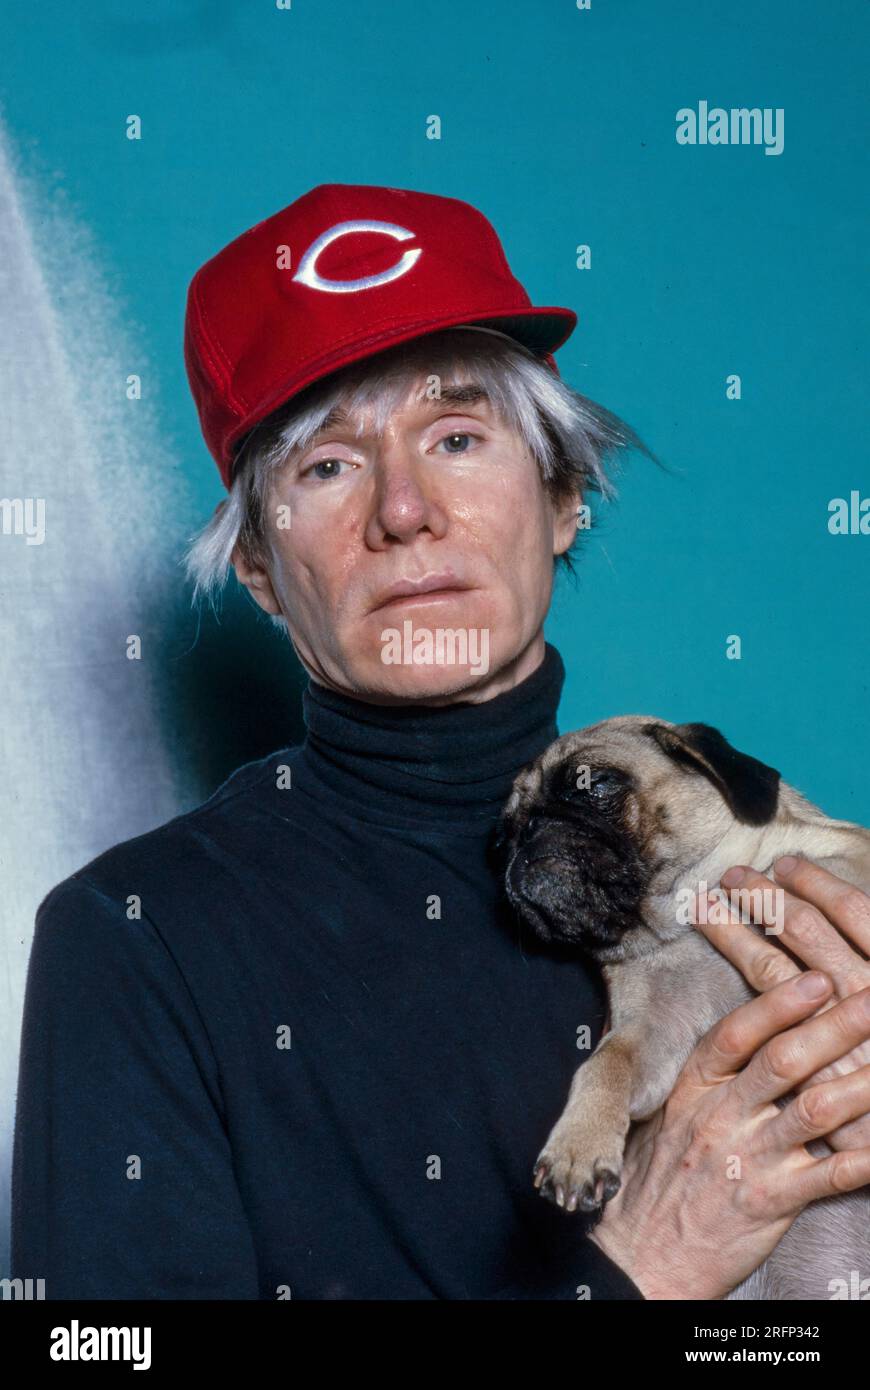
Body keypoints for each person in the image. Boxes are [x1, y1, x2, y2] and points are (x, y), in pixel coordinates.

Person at [11, 184, 870, 1300]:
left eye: (457, 436)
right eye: (327, 464)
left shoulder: (763, 869)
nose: (404, 510)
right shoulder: (133, 939)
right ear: (262, 572)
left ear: (565, 497)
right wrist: (643, 1263)